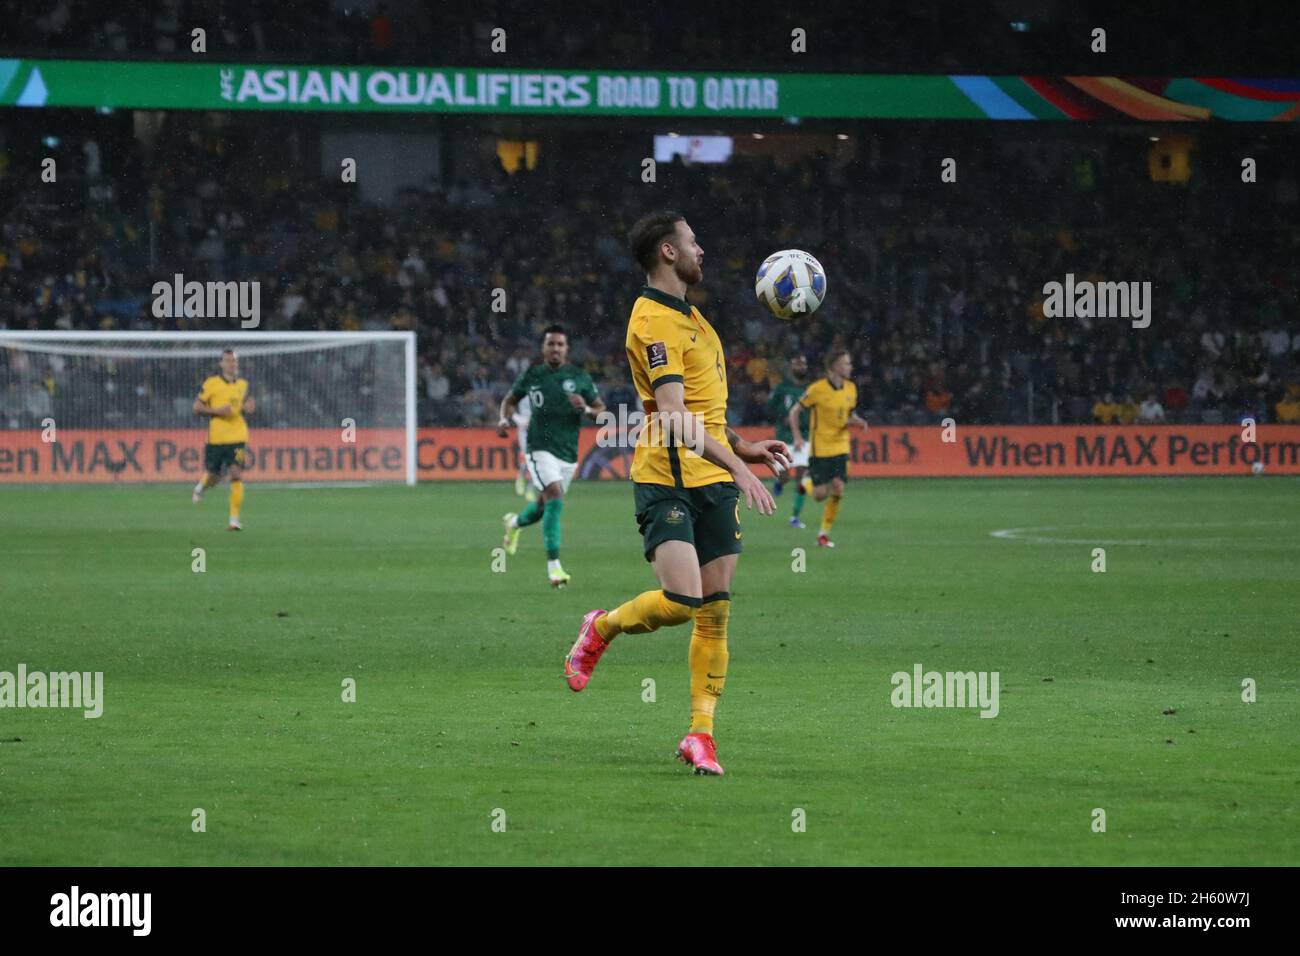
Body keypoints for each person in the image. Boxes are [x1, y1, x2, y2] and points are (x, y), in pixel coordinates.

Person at [562, 211, 789, 776]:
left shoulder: (700, 322)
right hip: (667, 478)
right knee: (681, 600)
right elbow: (673, 417)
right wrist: (739, 467)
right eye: (693, 240)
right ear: (667, 251)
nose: (702, 249)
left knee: (716, 612)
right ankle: (603, 626)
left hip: (713, 479)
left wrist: (745, 447)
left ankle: (700, 735)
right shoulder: (651, 320)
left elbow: (707, 417)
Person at [498, 325, 603, 588]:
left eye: (560, 344)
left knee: (544, 506)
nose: (555, 348)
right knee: (555, 496)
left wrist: (588, 408)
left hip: (568, 453)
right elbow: (510, 400)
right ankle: (554, 568)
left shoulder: (579, 377)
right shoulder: (532, 375)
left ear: (566, 349)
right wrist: (504, 418)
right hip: (538, 447)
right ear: (543, 348)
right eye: (551, 344)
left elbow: (602, 413)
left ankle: (514, 523)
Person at [789, 350, 868, 548]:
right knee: (819, 495)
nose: (850, 367)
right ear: (834, 367)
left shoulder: (851, 389)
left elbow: (846, 416)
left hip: (841, 445)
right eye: (846, 363)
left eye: (849, 363)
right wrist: (798, 437)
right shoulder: (817, 389)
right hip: (820, 448)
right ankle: (806, 483)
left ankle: (823, 535)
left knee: (839, 487)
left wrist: (858, 421)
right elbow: (794, 412)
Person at [192, 349, 253, 531]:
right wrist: (218, 412)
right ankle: (201, 486)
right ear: (221, 364)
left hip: (238, 436)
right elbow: (197, 407)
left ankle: (234, 520)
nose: (231, 364)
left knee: (236, 474)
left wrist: (248, 408)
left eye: (234, 361)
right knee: (214, 476)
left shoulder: (244, 385)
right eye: (228, 361)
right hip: (216, 438)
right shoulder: (211, 383)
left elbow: (244, 406)